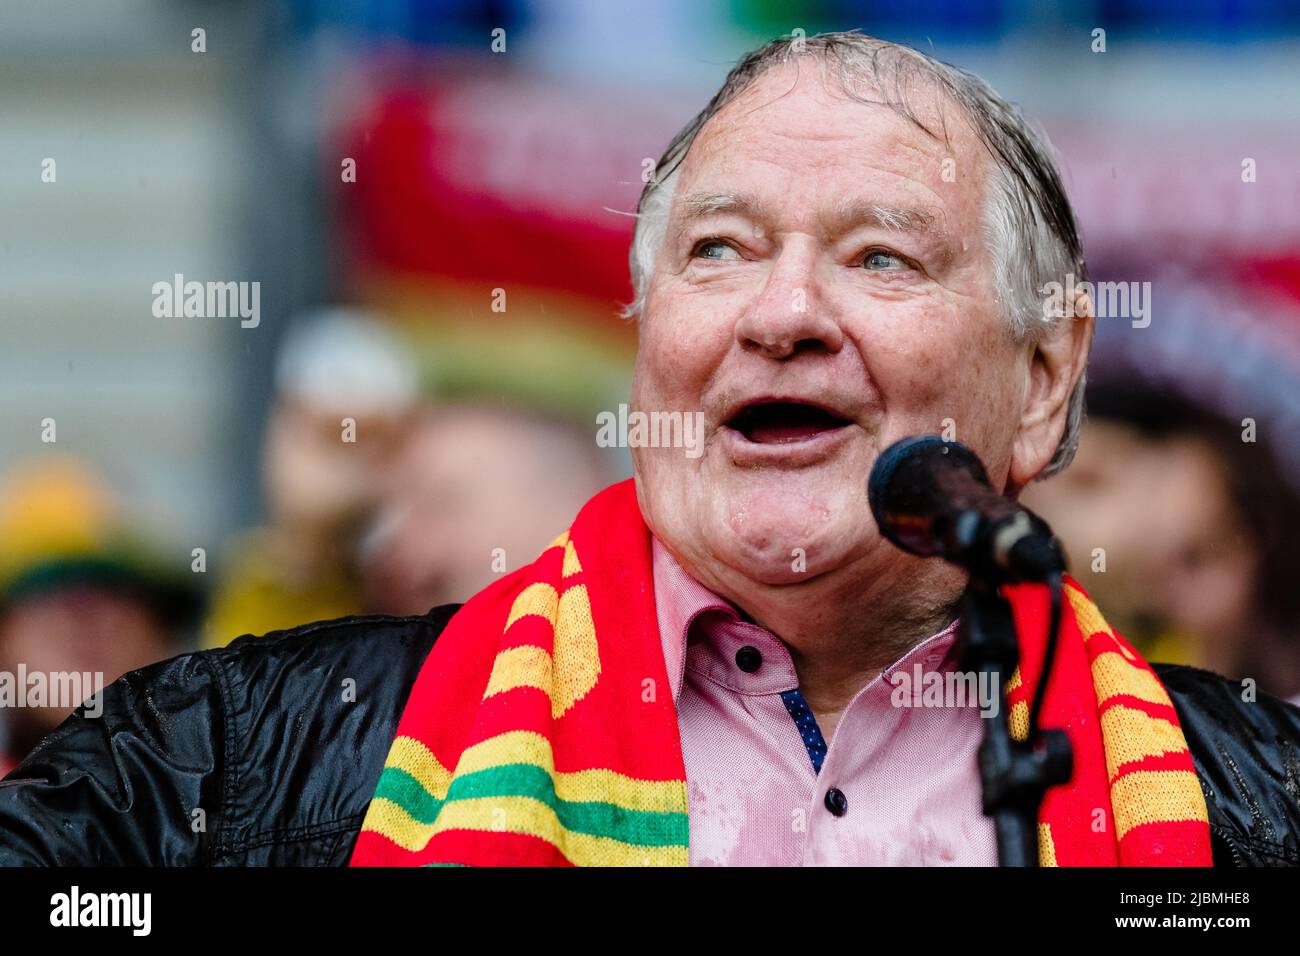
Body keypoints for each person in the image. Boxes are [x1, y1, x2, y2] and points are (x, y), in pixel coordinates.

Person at [2, 32, 1298, 867]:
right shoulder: (237, 761)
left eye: (879, 257)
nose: (781, 315)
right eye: (717, 251)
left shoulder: (1254, 809)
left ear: (1044, 378)